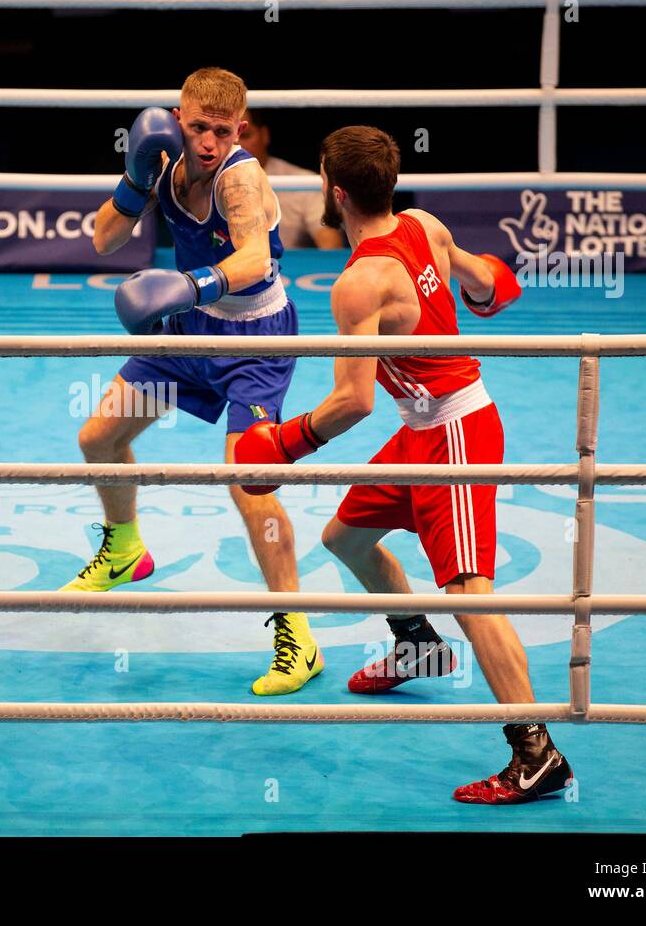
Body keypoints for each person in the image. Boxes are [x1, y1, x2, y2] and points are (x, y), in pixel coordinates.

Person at [236, 125, 573, 804]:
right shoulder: (423, 222)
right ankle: (417, 644)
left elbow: (353, 401)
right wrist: (472, 294)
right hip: (426, 426)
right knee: (346, 538)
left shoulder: (360, 283)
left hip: (454, 434)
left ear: (333, 193)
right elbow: (490, 285)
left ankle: (536, 752)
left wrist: (283, 444)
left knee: (470, 593)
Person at [63, 67, 321, 696]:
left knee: (249, 483)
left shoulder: (242, 176)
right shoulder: (163, 160)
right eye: (198, 127)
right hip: (188, 334)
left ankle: (299, 637)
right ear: (179, 118)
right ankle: (125, 548)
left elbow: (256, 260)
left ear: (241, 130)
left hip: (253, 344)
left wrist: (189, 283)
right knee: (98, 438)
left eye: (221, 130)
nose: (207, 141)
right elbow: (102, 240)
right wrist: (132, 179)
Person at [238, 109, 345, 250]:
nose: (236, 146)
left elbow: (331, 248)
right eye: (226, 135)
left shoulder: (302, 183)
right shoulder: (201, 184)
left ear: (264, 135)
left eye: (245, 135)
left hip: (285, 270)